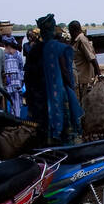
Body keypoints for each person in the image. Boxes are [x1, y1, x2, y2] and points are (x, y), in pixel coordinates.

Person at [32, 14, 83, 145]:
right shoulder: (60, 48)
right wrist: (71, 87)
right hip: (58, 93)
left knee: (44, 127)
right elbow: (66, 73)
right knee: (67, 124)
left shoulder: (35, 49)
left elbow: (30, 75)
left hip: (40, 95)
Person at [69, 20, 100, 90]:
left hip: (83, 81)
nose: (70, 33)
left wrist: (99, 75)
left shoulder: (82, 40)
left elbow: (92, 58)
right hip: (78, 79)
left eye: (70, 31)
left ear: (73, 30)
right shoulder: (76, 41)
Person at [0, 35, 25, 117]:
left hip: (11, 80)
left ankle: (14, 118)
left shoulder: (5, 54)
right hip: (15, 80)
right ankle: (16, 118)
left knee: (11, 100)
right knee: (15, 101)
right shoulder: (17, 54)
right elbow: (21, 68)